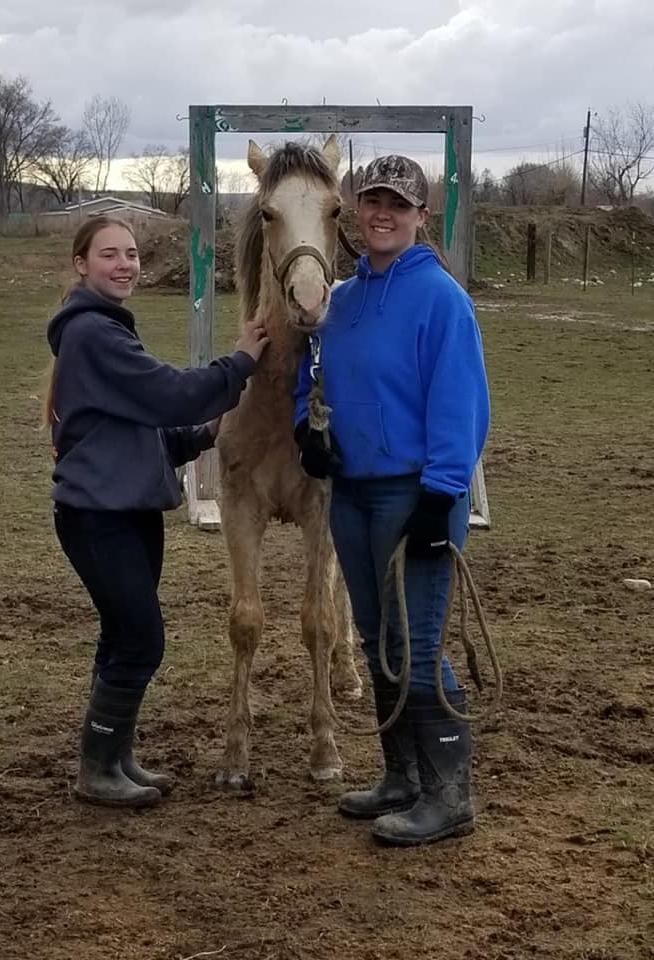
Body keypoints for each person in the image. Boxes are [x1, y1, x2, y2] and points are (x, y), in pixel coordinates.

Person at [294, 156, 490, 846]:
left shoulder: (440, 299)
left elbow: (458, 405)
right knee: (379, 640)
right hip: (351, 495)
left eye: (397, 205)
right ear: (355, 209)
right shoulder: (340, 300)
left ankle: (448, 795)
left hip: (412, 497)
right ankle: (400, 776)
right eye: (372, 201)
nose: (382, 213)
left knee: (418, 644)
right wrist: (303, 423)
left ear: (419, 216)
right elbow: (311, 366)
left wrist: (440, 498)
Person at [43, 215, 269, 809]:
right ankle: (97, 768)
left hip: (129, 508)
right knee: (142, 640)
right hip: (98, 516)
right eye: (110, 255)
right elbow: (169, 392)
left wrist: (203, 433)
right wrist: (240, 362)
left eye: (133, 254)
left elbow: (144, 434)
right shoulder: (93, 332)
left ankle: (113, 757)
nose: (126, 265)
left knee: (122, 635)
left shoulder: (107, 327)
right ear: (81, 265)